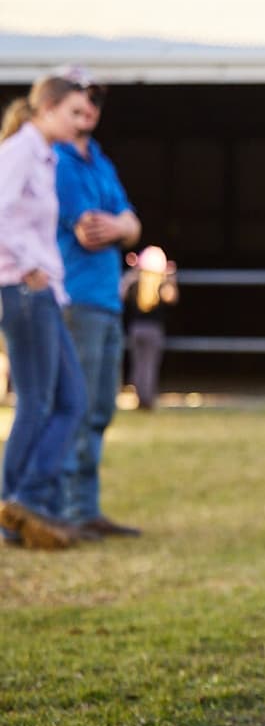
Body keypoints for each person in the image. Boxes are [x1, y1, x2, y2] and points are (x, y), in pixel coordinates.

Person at [0, 73, 94, 549]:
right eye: (73, 113)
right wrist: (32, 264)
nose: (81, 122)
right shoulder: (19, 151)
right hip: (21, 290)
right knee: (40, 404)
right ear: (48, 107)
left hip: (43, 294)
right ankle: (21, 504)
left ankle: (26, 504)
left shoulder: (41, 155)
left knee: (67, 401)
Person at [53, 68, 142, 537]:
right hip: (77, 299)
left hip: (106, 299)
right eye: (80, 98)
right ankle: (68, 509)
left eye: (96, 100)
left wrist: (124, 225)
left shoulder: (99, 161)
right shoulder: (59, 161)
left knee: (102, 406)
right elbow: (91, 230)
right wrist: (120, 225)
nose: (90, 107)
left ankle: (87, 508)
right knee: (78, 405)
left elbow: (131, 223)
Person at [123, 245, 177, 410]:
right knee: (149, 365)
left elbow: (121, 293)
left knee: (138, 364)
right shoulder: (161, 284)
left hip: (136, 329)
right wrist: (170, 277)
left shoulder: (135, 282)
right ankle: (147, 399)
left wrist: (132, 273)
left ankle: (140, 397)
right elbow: (172, 297)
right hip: (154, 330)